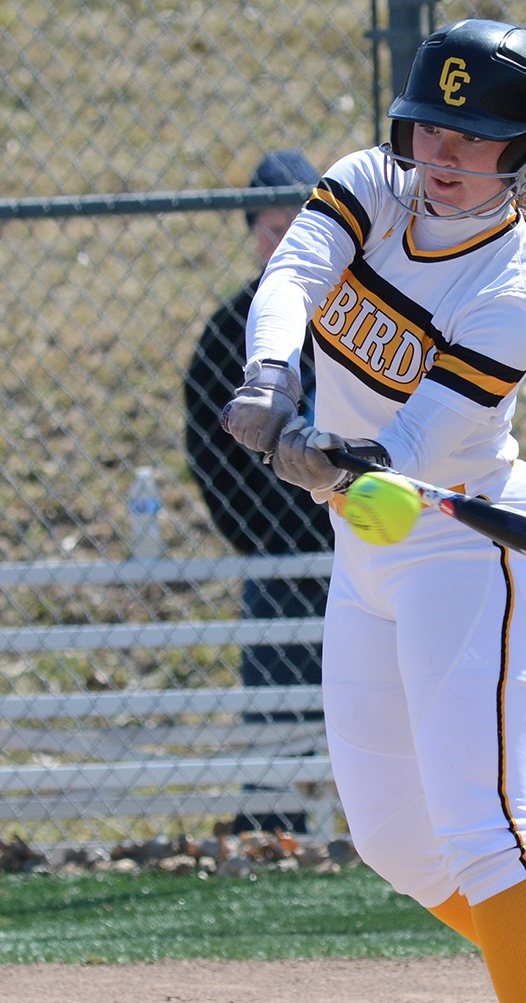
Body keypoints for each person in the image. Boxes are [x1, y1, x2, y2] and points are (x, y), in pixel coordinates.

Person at [218, 20, 526, 1003]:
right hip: (373, 559)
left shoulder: (512, 294)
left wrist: (328, 462)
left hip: (466, 551)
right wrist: (271, 380)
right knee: (392, 835)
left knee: (486, 830)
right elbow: (292, 273)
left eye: (473, 142)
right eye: (431, 128)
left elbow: (403, 463)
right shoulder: (372, 186)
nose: (443, 156)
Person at [184, 150, 332, 834]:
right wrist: (262, 535)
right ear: (253, 235)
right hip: (276, 555)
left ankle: (374, 826)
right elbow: (211, 455)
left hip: (361, 533)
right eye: (270, 230)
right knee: (276, 703)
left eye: (296, 227)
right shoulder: (228, 333)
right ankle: (276, 824)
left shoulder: (354, 320)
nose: (281, 242)